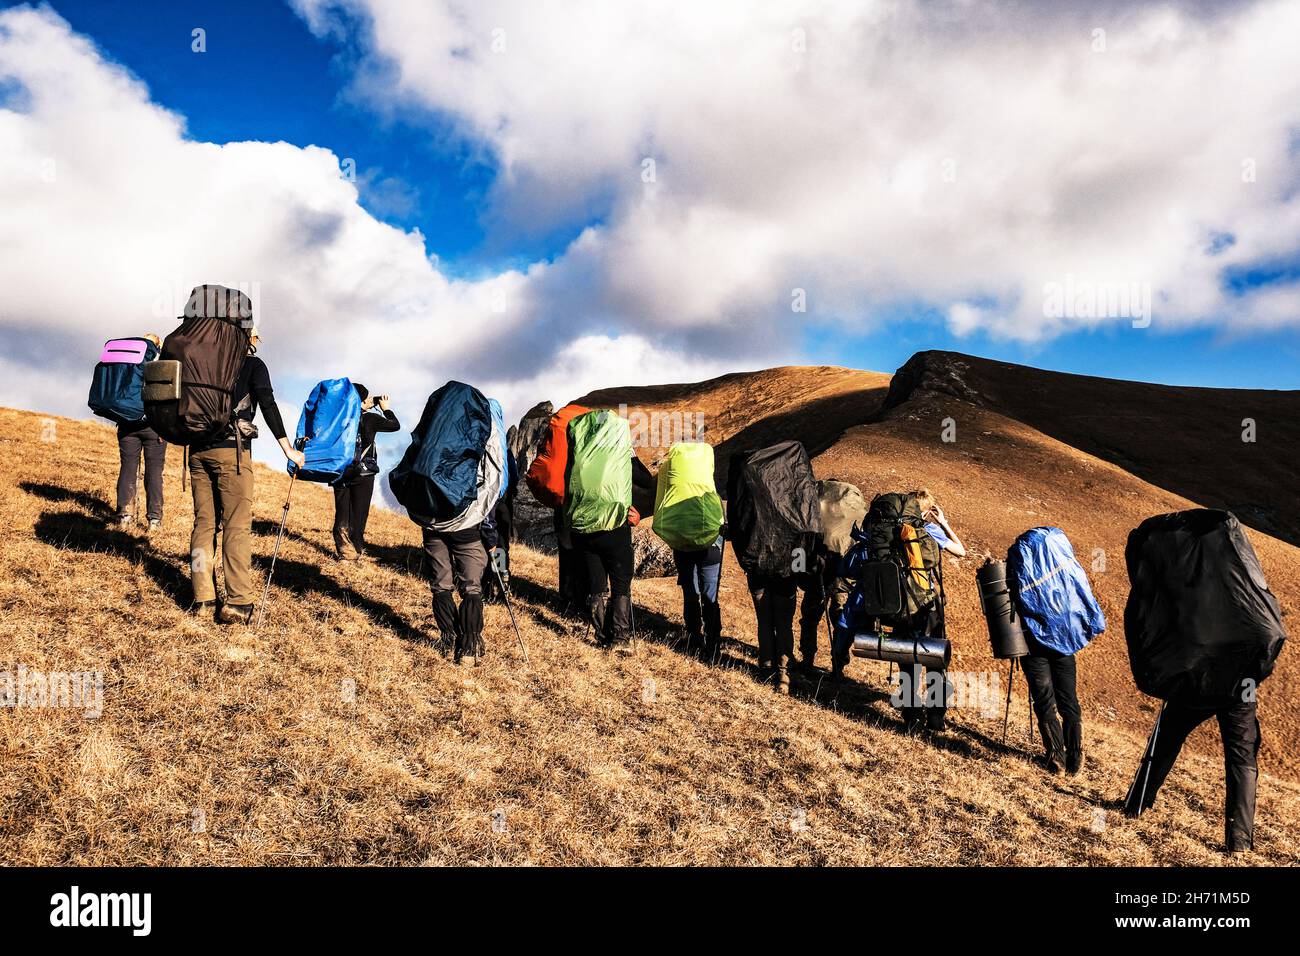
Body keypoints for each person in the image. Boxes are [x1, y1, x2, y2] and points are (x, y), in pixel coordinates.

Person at [189, 325, 305, 624]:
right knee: (236, 527)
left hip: (198, 451)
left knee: (204, 526)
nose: (259, 340)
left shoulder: (202, 360)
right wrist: (287, 450)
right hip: (232, 452)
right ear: (244, 337)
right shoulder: (252, 364)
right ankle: (238, 602)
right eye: (255, 335)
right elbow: (267, 404)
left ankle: (203, 599)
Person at [1124, 686, 1260, 853]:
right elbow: (1266, 660)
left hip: (1200, 680)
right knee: (1242, 759)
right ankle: (1239, 844)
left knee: (1168, 735)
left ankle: (1135, 805)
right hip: (1243, 685)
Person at [899, 489, 961, 732]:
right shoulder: (929, 530)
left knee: (907, 658)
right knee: (934, 658)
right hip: (928, 604)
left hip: (901, 601)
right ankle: (935, 715)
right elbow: (961, 550)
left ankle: (911, 716)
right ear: (926, 511)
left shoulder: (896, 529)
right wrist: (943, 523)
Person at [332, 383, 399, 560]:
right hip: (363, 472)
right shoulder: (370, 419)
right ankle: (356, 550)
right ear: (361, 401)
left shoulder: (337, 417)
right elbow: (395, 425)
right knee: (359, 513)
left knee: (342, 511)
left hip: (340, 470)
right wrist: (386, 409)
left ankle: (343, 550)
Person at [115, 333, 167, 532]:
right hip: (153, 426)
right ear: (157, 346)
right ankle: (154, 520)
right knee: (154, 472)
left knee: (127, 468)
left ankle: (125, 515)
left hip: (127, 424)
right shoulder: (159, 363)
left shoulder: (127, 364)